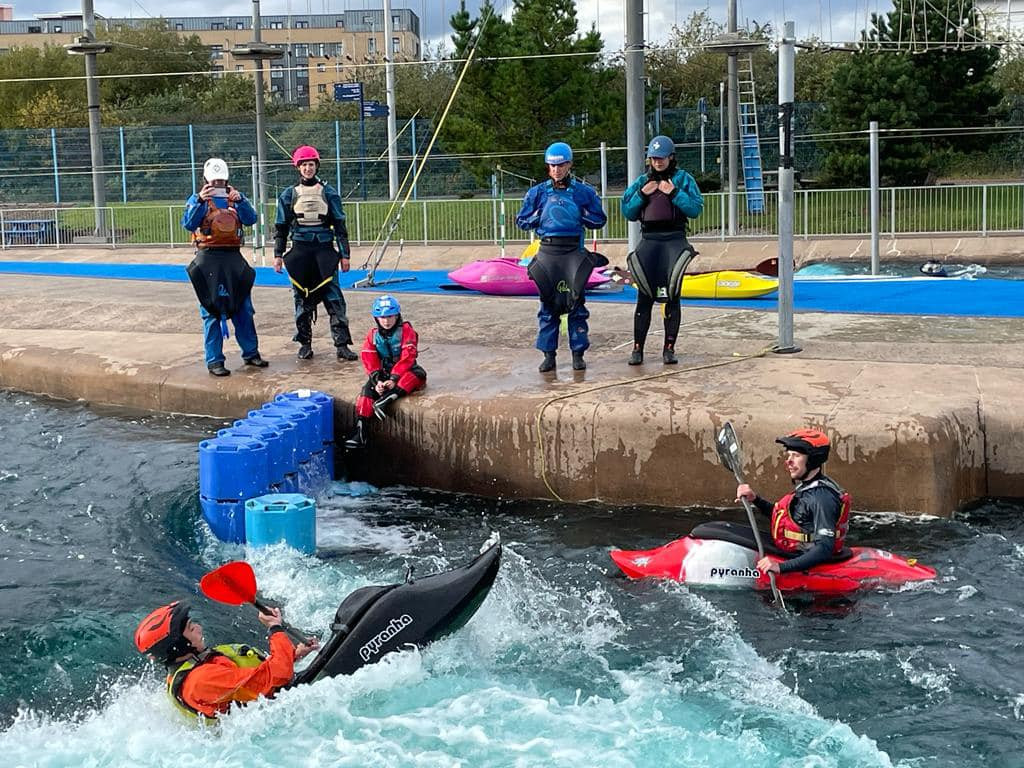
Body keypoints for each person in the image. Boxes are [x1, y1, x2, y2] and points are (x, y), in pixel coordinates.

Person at [134, 599, 318, 721]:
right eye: (191, 628)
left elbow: (256, 674)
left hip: (267, 703)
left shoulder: (200, 661)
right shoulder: (201, 680)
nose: (198, 627)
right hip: (270, 721)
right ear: (179, 646)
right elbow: (278, 676)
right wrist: (274, 628)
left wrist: (293, 654)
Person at [516, 141, 608, 372]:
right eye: (552, 166)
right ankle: (549, 355)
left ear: (569, 165)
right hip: (548, 252)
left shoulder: (583, 192)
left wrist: (582, 216)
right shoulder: (537, 193)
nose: (556, 170)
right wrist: (537, 217)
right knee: (548, 305)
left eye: (561, 165)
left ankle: (578, 353)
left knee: (576, 303)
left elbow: (600, 218)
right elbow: (521, 220)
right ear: (547, 167)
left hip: (573, 252)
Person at [620, 135, 704, 366]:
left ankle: (669, 348)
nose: (657, 163)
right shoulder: (642, 182)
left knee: (672, 295)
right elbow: (627, 211)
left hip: (674, 241)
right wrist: (641, 195)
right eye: (654, 159)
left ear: (671, 157)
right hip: (650, 241)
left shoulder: (683, 179)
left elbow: (696, 209)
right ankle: (638, 349)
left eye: (662, 158)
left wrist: (674, 193)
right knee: (644, 296)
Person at [181, 158, 268, 377]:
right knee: (211, 311)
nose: (218, 185)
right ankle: (214, 361)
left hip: (233, 259)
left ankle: (251, 353)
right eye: (214, 181)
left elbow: (251, 219)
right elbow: (189, 224)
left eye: (222, 181)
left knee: (244, 309)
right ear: (206, 181)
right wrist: (200, 200)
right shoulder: (197, 199)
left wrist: (241, 201)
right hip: (208, 259)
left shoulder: (234, 199)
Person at [273, 145, 358, 362]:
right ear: (298, 168)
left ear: (316, 166)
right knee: (302, 301)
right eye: (304, 165)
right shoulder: (288, 195)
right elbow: (281, 228)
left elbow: (340, 226)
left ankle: (342, 345)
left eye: (311, 164)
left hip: (324, 253)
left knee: (335, 299)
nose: (308, 168)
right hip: (300, 252)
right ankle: (304, 344)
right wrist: (278, 255)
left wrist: (345, 255)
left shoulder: (329, 193)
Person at [734, 428, 852, 576]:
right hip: (793, 552)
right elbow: (787, 521)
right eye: (789, 455)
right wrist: (755, 499)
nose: (788, 461)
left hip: (806, 562)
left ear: (813, 459)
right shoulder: (807, 486)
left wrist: (780, 567)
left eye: (795, 456)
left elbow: (824, 548)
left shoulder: (822, 498)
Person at [345, 294, 426, 450]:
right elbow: (368, 357)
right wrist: (377, 382)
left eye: (390, 316)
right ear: (376, 318)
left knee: (418, 375)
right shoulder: (373, 335)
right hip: (382, 373)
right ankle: (361, 430)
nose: (386, 321)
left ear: (397, 315)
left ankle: (386, 400)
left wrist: (395, 378)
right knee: (366, 391)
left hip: (403, 371)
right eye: (382, 317)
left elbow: (408, 357)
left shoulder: (406, 331)